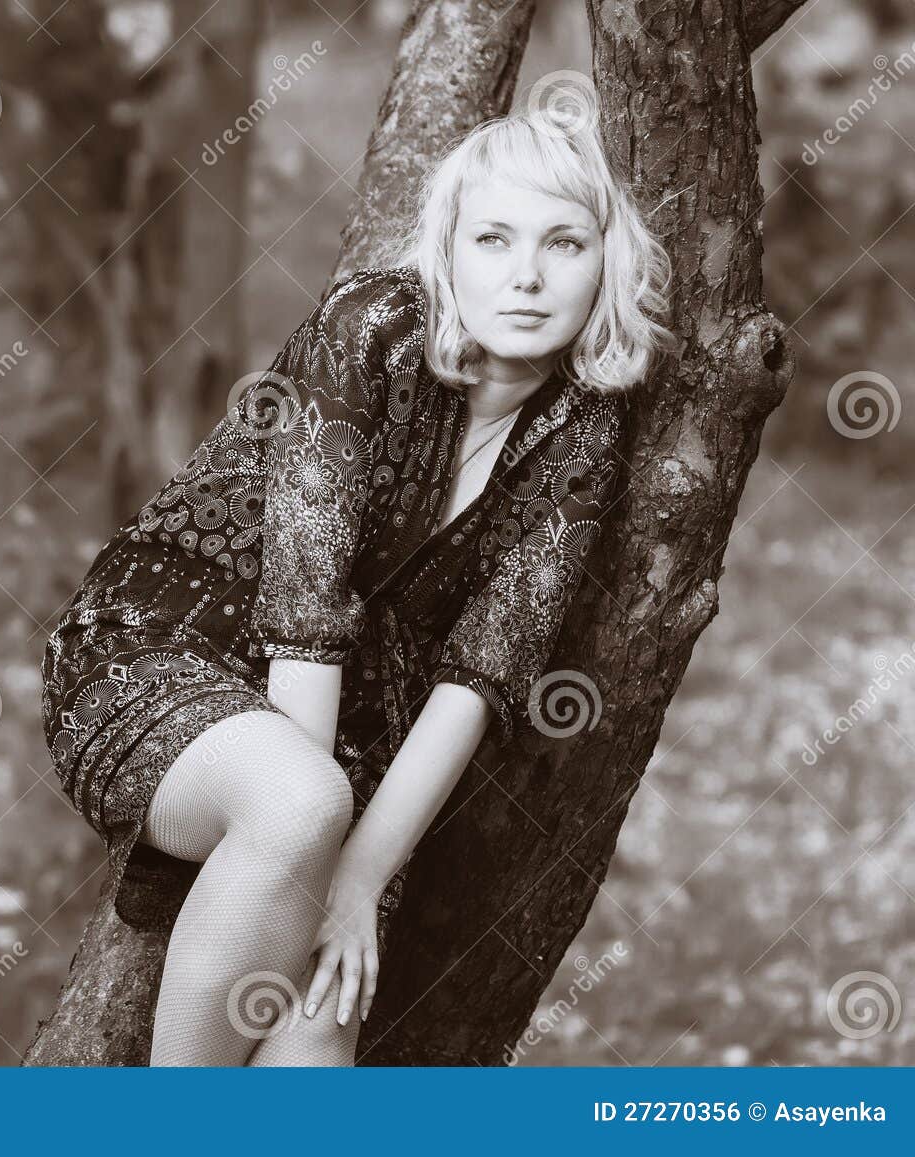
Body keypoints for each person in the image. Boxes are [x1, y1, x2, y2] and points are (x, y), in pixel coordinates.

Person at [38, 87, 678, 1067]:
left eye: (564, 243)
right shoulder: (370, 327)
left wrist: (354, 880)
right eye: (494, 239)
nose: (527, 276)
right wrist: (303, 832)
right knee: (294, 805)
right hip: (159, 656)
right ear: (448, 250)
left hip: (359, 752)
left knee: (314, 1044)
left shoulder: (585, 428)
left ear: (607, 262)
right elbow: (303, 605)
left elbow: (482, 673)